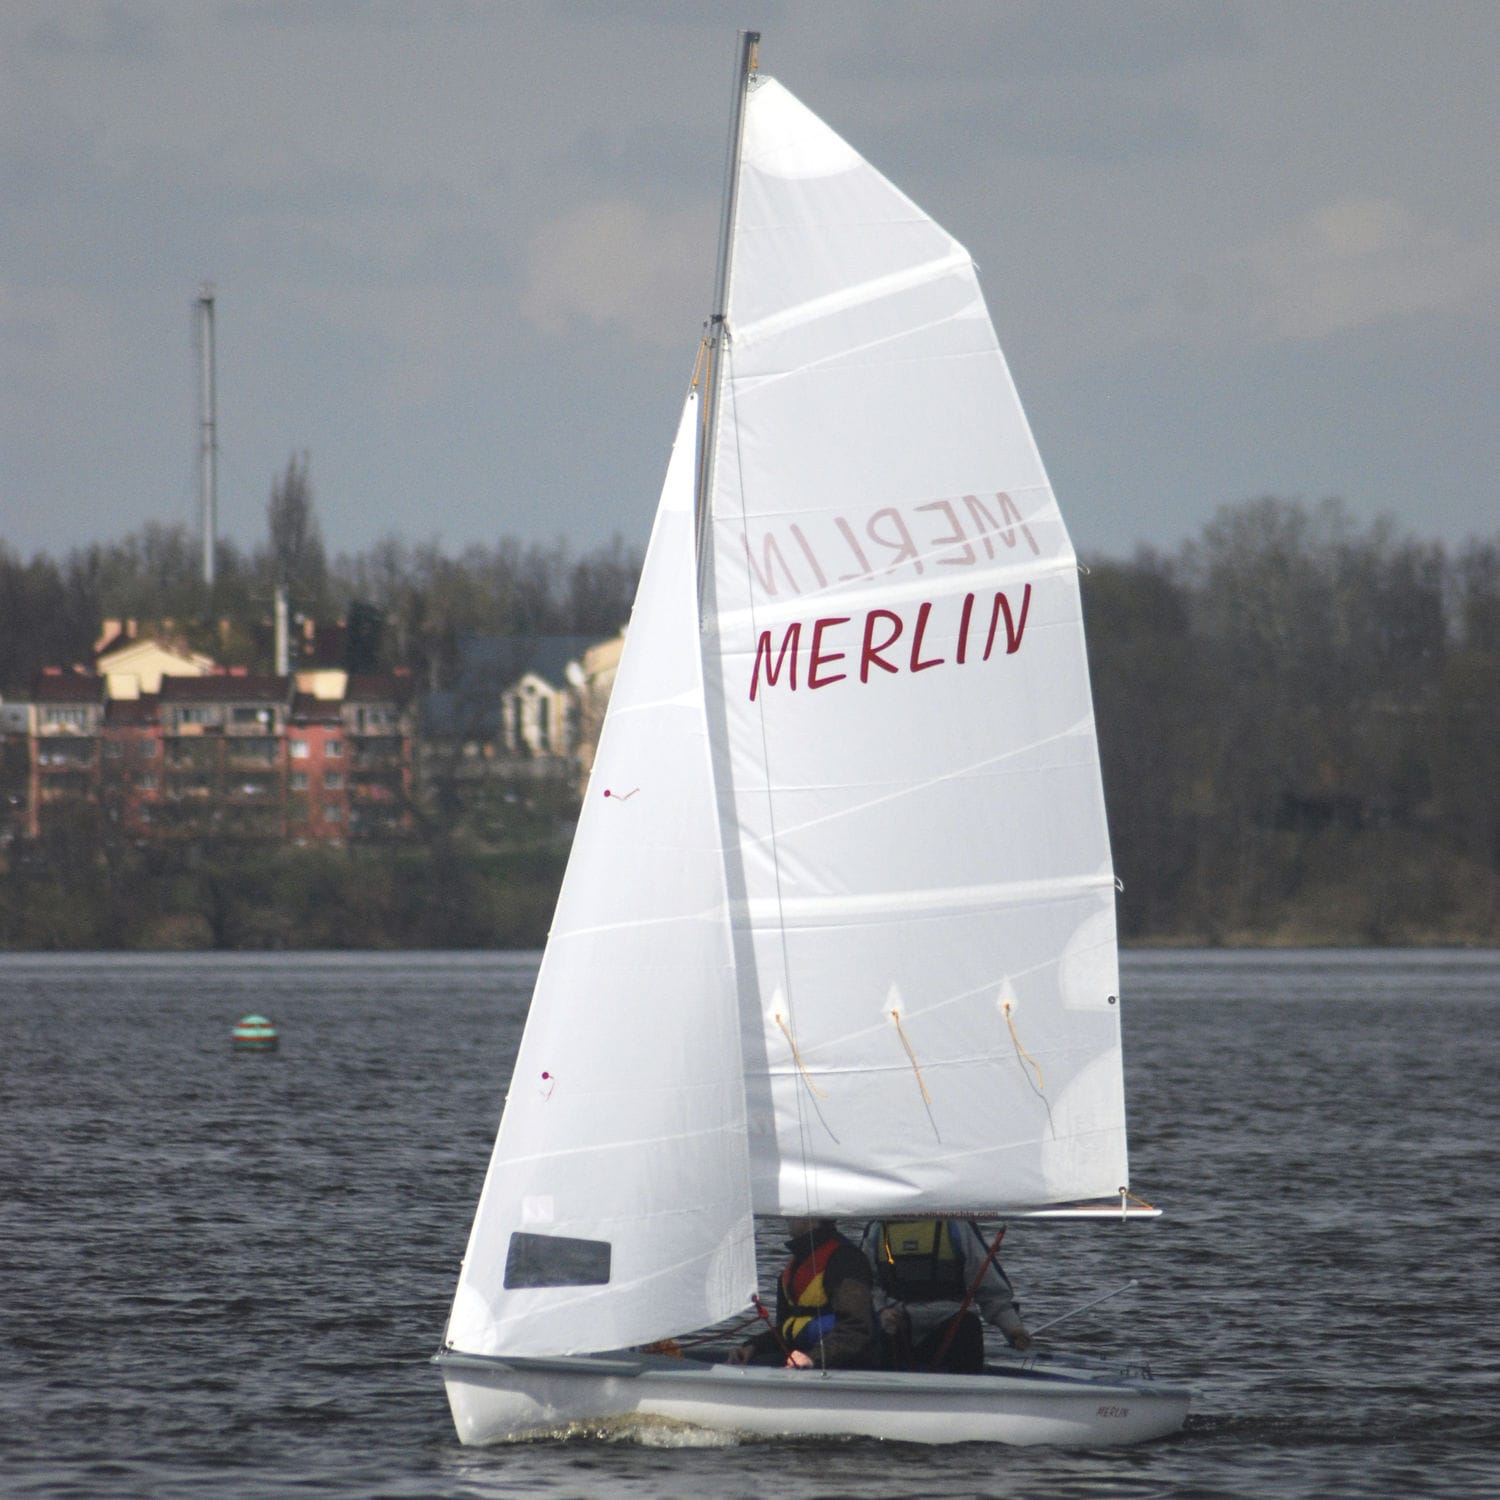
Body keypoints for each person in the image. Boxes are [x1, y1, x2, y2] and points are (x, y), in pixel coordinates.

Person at [860, 1218, 1032, 1374]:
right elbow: (864, 1286)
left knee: (969, 1326)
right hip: (897, 1323)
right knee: (877, 1334)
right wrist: (880, 1311)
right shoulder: (877, 1228)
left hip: (951, 1322)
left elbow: (991, 1289)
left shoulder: (957, 1225)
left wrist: (1013, 1329)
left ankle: (967, 1392)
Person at [726, 1216, 879, 1369]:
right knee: (720, 1359)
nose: (787, 1217)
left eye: (794, 1213)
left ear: (811, 1220)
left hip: (842, 1365)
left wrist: (814, 1358)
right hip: (801, 1357)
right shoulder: (799, 1262)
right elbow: (787, 1330)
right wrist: (753, 1346)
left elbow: (857, 1328)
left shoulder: (847, 1260)